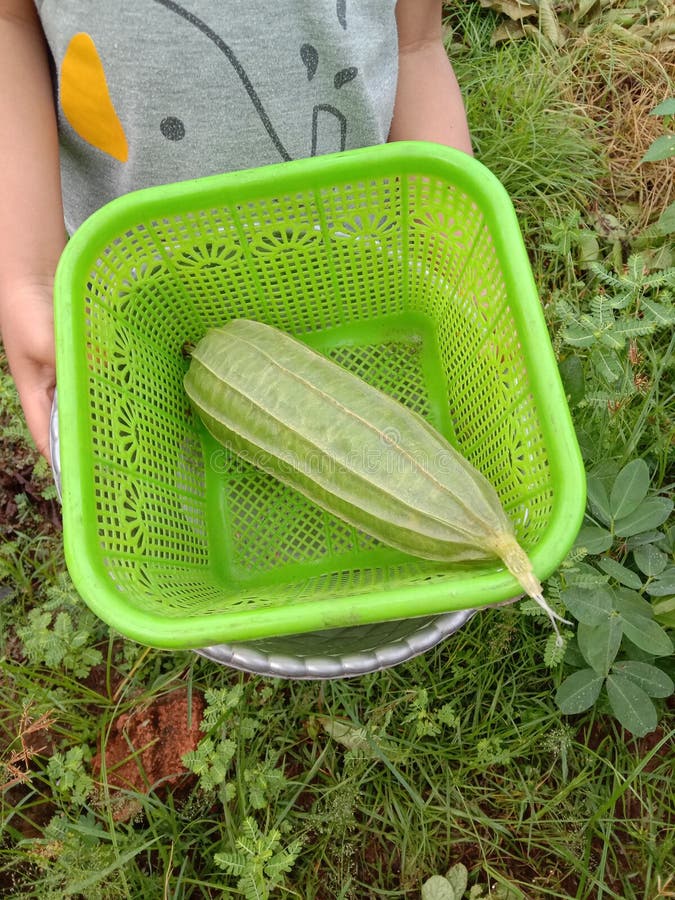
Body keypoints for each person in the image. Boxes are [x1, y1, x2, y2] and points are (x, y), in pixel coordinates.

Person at [0, 0, 472, 463]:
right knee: (164, 493)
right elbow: (11, 20)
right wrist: (29, 279)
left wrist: (458, 246)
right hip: (141, 307)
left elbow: (416, 44)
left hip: (354, 271)